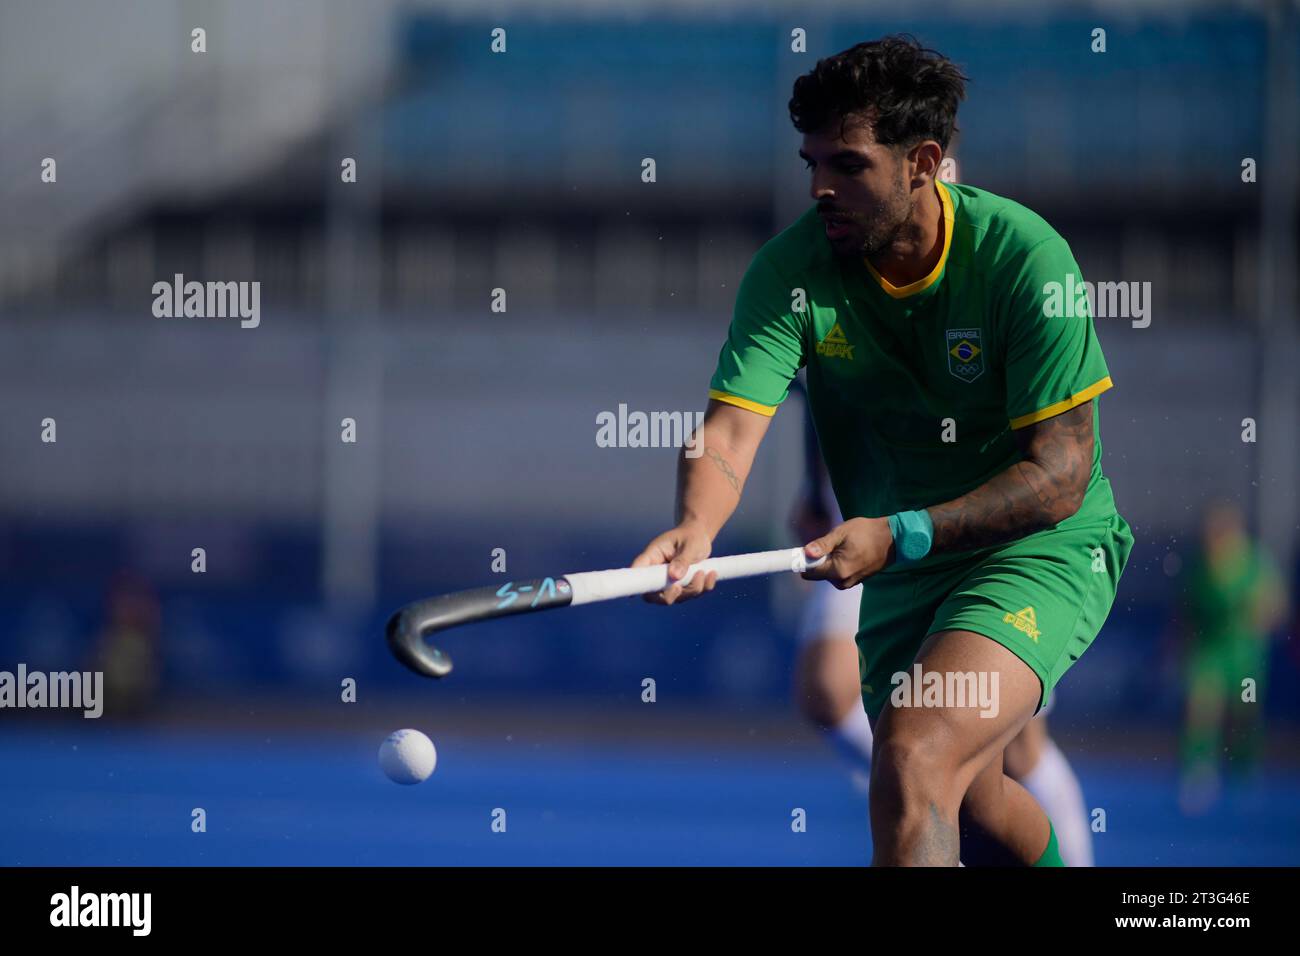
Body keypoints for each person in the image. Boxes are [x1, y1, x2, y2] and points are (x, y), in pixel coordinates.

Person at [632, 35, 1132, 865]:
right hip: (902, 569)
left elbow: (1060, 477)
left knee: (912, 751)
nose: (822, 186)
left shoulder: (1025, 259)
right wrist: (696, 524)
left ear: (922, 163)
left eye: (850, 165)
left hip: (1037, 547)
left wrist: (898, 532)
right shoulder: (789, 269)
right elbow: (728, 430)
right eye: (812, 163)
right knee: (967, 802)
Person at [1177, 501, 1286, 814]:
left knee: (1244, 716)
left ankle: (1243, 773)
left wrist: (1260, 613)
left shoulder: (1254, 564)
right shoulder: (1201, 567)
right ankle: (1197, 774)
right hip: (1208, 654)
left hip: (1244, 656)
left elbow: (1275, 606)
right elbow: (1188, 613)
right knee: (1199, 710)